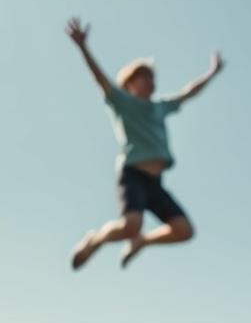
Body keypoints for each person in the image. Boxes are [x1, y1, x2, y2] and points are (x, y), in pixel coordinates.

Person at [65, 17, 223, 270]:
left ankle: (142, 242)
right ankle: (95, 239)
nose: (150, 81)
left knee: (184, 231)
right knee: (130, 224)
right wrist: (83, 47)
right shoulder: (123, 103)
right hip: (133, 175)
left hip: (155, 183)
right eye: (144, 77)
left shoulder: (160, 107)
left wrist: (212, 73)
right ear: (130, 83)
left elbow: (189, 91)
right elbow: (101, 80)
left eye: (152, 77)